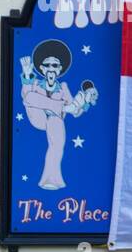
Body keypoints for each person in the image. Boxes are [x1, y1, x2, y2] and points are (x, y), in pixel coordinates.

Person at [19, 38, 97, 190]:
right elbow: (27, 97)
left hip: (55, 120)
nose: (51, 69)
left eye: (54, 65)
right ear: (41, 68)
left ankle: (51, 180)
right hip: (37, 117)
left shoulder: (63, 87)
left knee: (57, 143)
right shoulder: (35, 84)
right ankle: (58, 107)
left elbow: (76, 111)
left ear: (59, 69)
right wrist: (27, 76)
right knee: (30, 97)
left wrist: (85, 102)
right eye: (47, 65)